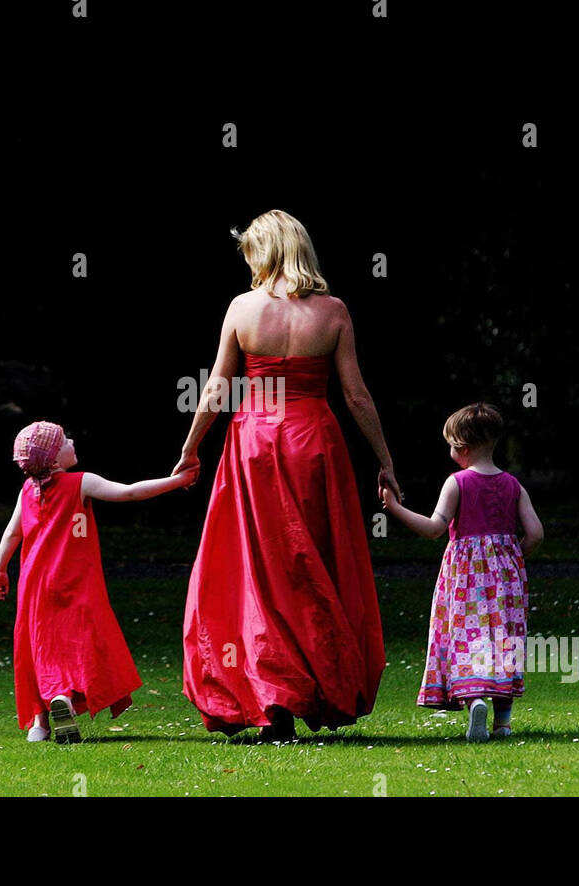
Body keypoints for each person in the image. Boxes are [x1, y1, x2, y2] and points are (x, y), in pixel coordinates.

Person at [173, 209, 400, 741]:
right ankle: (312, 686)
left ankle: (270, 699)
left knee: (258, 569)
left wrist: (190, 449)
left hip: (254, 443)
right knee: (311, 566)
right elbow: (356, 395)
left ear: (265, 251)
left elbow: (215, 391)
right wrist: (385, 460)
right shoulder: (335, 312)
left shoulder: (242, 308)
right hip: (314, 444)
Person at [0, 420, 196, 743]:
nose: (71, 440)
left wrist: (0, 569)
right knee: (76, 642)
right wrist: (176, 481)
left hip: (34, 584)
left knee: (40, 644)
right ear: (56, 460)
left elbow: (12, 533)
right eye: (64, 441)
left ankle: (39, 723)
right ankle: (66, 700)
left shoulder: (27, 492)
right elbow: (129, 493)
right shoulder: (81, 482)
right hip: (74, 581)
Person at [380, 403, 544, 742]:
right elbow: (536, 534)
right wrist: (513, 557)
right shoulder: (514, 485)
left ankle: (474, 701)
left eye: (451, 445)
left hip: (466, 580)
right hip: (505, 580)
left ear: (463, 448)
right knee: (503, 641)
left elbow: (434, 528)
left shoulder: (457, 483)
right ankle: (503, 723)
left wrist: (395, 508)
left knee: (468, 638)